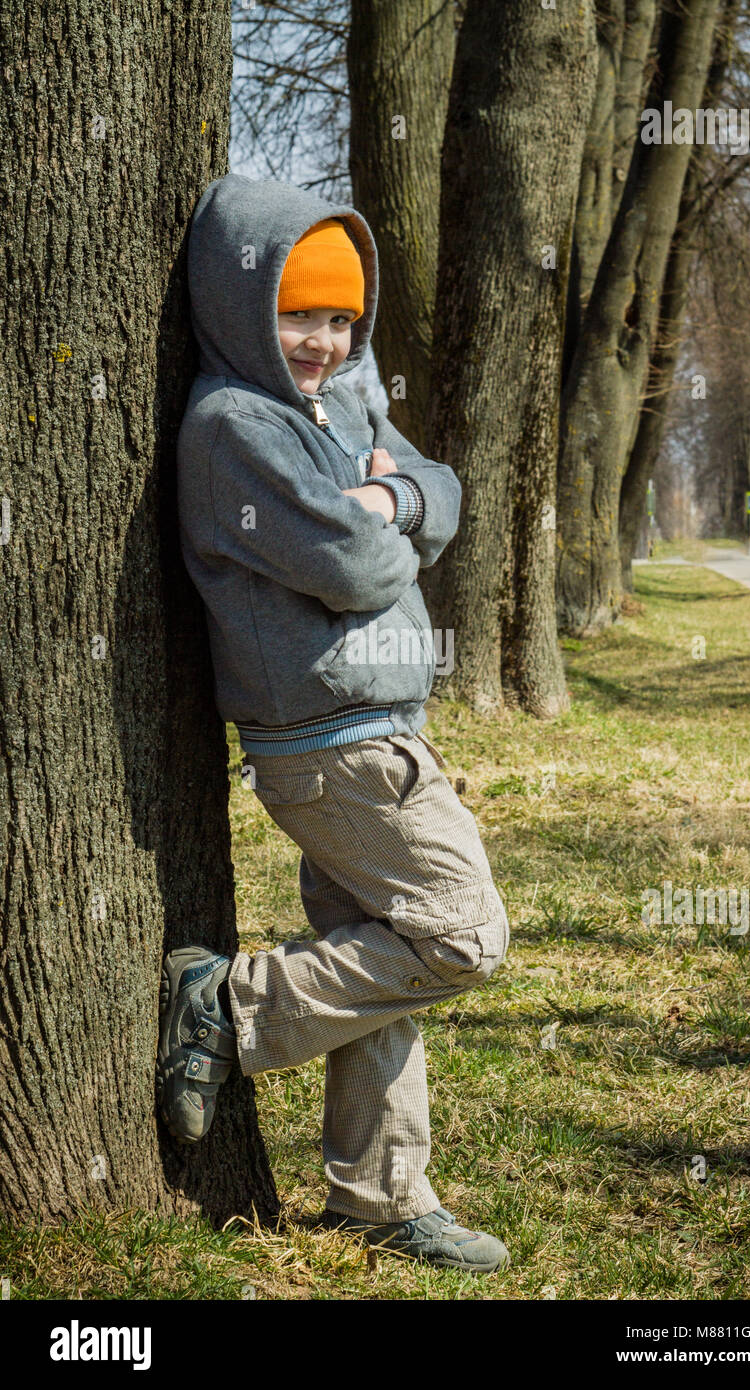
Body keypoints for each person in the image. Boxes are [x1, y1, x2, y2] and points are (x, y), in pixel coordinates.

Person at [160, 174, 510, 1273]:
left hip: (381, 727)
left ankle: (378, 1192)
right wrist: (378, 521)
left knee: (389, 959)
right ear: (242, 304)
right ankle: (232, 1002)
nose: (322, 340)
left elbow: (442, 490)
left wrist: (392, 497)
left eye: (341, 317)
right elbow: (357, 569)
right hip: (333, 745)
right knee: (460, 937)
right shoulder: (232, 428)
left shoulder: (347, 398)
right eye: (298, 313)